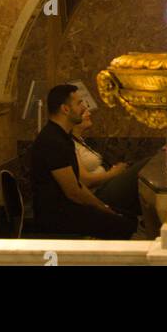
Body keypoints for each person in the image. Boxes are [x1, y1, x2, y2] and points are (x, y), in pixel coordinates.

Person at [29, 83, 136, 238]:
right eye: (79, 103)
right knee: (123, 224)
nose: (84, 107)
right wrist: (102, 208)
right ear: (65, 109)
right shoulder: (52, 141)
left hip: (67, 209)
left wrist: (102, 206)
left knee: (128, 216)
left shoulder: (62, 137)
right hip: (56, 216)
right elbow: (73, 192)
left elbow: (77, 184)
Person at [71, 105, 145, 218]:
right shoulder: (69, 144)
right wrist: (113, 173)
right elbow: (85, 180)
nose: (89, 113)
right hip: (97, 194)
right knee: (144, 166)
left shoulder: (80, 141)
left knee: (143, 179)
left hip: (105, 184)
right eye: (83, 112)